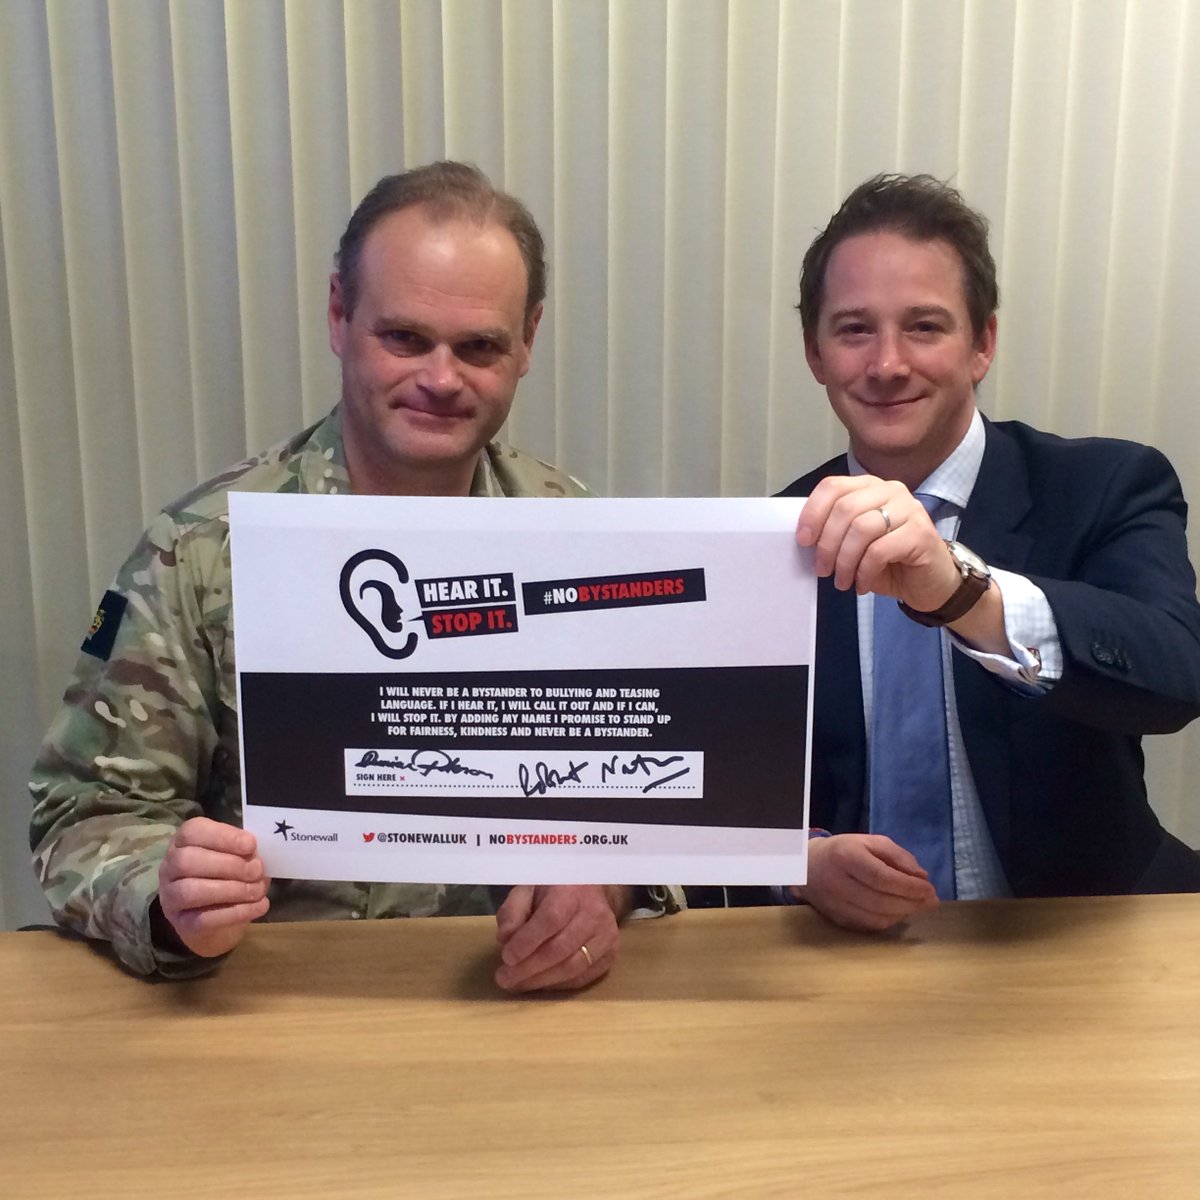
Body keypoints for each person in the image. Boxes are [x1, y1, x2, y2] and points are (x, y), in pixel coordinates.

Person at [29, 161, 678, 985]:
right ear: (340, 314)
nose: (441, 379)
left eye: (479, 346)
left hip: (513, 1005)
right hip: (271, 1002)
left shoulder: (584, 542)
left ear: (528, 343)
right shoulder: (200, 548)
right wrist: (164, 889)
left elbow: (658, 798)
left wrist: (607, 884)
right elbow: (80, 816)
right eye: (404, 337)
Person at [776, 173, 1200, 931]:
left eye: (926, 327)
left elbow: (1175, 674)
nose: (887, 364)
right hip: (846, 965)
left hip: (1085, 948)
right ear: (814, 352)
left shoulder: (1106, 485)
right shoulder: (776, 533)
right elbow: (711, 773)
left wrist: (962, 591)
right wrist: (793, 862)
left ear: (983, 345)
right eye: (853, 330)